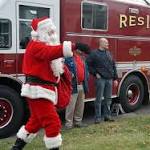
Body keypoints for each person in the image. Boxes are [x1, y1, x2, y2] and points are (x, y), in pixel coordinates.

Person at [10, 17, 89, 150]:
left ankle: (16, 147)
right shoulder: (35, 46)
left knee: (35, 122)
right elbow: (50, 52)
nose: (53, 35)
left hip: (42, 90)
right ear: (41, 32)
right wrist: (74, 46)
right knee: (53, 123)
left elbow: (53, 62)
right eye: (50, 32)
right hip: (37, 91)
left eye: (54, 32)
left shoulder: (42, 46)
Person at [86, 38, 118, 124]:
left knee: (108, 99)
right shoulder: (94, 54)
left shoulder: (108, 53)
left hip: (109, 79)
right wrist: (95, 73)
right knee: (99, 99)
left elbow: (113, 66)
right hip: (101, 80)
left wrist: (115, 78)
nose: (108, 45)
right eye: (106, 43)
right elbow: (88, 64)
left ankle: (107, 116)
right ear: (101, 43)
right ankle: (98, 118)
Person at [64, 47, 90, 129]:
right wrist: (69, 74)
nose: (81, 51)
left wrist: (87, 76)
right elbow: (64, 69)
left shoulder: (82, 58)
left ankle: (78, 122)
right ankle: (68, 124)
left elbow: (86, 70)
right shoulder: (69, 59)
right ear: (75, 50)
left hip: (82, 84)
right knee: (71, 105)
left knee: (80, 105)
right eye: (80, 49)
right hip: (73, 85)